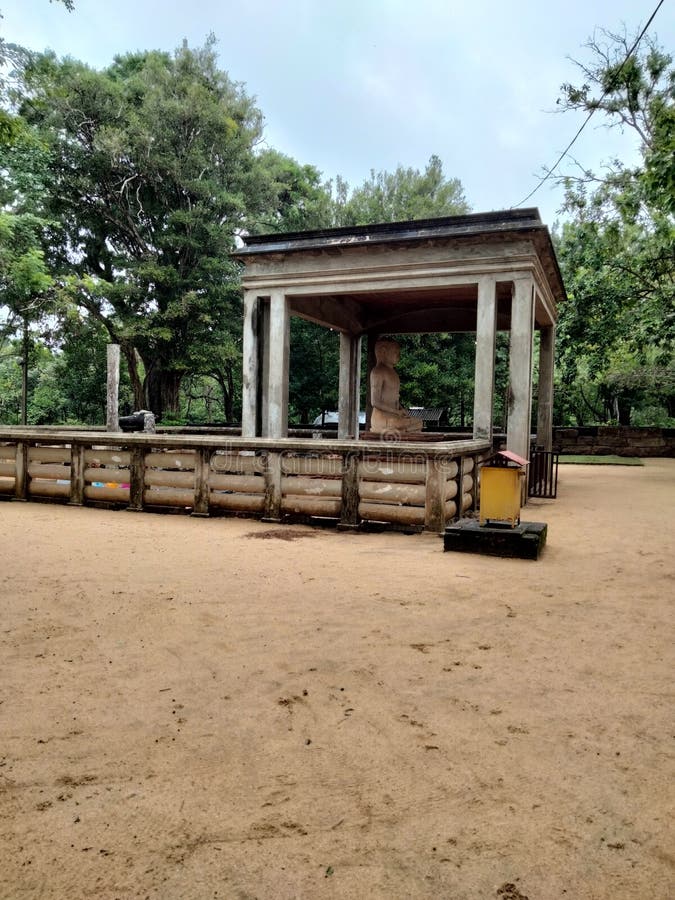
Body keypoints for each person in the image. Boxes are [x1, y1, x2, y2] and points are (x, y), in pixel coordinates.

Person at [370, 339, 423, 434]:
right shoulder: (377, 372)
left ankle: (402, 429)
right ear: (383, 351)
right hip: (382, 418)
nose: (398, 355)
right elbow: (375, 402)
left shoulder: (393, 373)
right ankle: (398, 429)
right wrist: (395, 411)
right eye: (395, 352)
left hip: (394, 416)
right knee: (400, 424)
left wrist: (401, 409)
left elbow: (394, 398)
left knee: (419, 422)